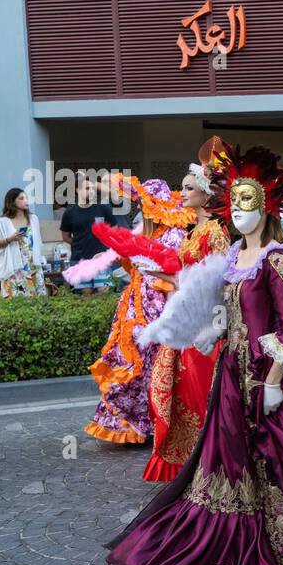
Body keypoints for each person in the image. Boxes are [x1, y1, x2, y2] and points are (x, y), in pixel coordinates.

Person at [107, 146, 283, 565]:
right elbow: (232, 313)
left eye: (249, 202)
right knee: (228, 464)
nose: (241, 212)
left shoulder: (278, 259)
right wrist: (212, 332)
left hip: (268, 380)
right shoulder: (231, 262)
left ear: (265, 207)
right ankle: (219, 547)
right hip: (230, 377)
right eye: (235, 203)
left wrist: (271, 385)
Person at [142, 153, 232, 482]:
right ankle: (191, 465)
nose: (181, 193)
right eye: (181, 187)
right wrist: (161, 275)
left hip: (203, 326)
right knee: (181, 395)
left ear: (206, 195)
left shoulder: (214, 233)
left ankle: (207, 464)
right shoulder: (194, 232)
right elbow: (188, 279)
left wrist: (212, 325)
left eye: (188, 188)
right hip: (187, 320)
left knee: (199, 397)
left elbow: (221, 282)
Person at [83, 178, 189, 444]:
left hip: (159, 304)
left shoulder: (175, 235)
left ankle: (158, 422)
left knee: (153, 360)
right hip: (134, 303)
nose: (140, 208)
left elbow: (177, 274)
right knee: (127, 358)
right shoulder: (145, 233)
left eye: (144, 203)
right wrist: (116, 257)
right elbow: (134, 266)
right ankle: (134, 423)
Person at [60, 172, 120, 295]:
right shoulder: (69, 213)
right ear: (77, 190)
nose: (91, 191)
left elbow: (114, 231)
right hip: (79, 261)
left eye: (92, 188)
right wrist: (80, 243)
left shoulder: (104, 209)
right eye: (87, 188)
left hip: (102, 260)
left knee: (104, 293)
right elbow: (65, 236)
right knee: (84, 295)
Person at [0, 188, 47, 298]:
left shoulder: (33, 219)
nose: (26, 201)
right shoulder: (2, 222)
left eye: (26, 198)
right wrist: (9, 239)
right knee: (16, 302)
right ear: (12, 202)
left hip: (32, 267)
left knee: (37, 303)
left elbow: (38, 243)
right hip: (14, 268)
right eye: (21, 198)